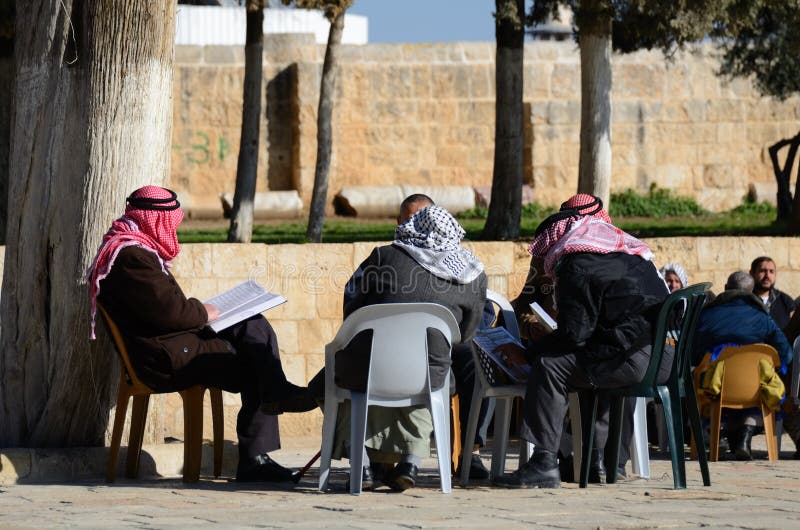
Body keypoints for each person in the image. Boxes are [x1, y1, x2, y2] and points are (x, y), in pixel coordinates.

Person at [87, 186, 314, 482]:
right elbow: (173, 313)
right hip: (164, 360)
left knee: (251, 325)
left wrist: (205, 313)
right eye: (171, 222)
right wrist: (205, 312)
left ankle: (273, 402)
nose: (173, 230)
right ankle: (258, 449)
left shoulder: (131, 249)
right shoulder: (132, 257)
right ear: (155, 219)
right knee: (255, 358)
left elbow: (166, 310)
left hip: (169, 347)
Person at [493, 194, 669, 489]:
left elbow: (575, 335)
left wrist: (530, 352)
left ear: (565, 231)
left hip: (629, 362)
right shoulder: (633, 256)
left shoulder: (578, 264)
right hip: (662, 360)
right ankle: (599, 462)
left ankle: (544, 462)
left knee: (551, 367)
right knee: (587, 364)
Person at [328, 197, 487, 491]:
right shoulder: (471, 273)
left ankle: (364, 466)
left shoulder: (382, 257)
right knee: (434, 372)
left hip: (369, 369)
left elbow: (352, 302)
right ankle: (409, 462)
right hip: (428, 375)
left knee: (336, 379)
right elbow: (465, 335)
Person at [694, 270, 793, 460]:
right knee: (764, 377)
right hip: (754, 391)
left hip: (714, 389)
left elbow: (693, 354)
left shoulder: (706, 316)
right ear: (752, 292)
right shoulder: (763, 318)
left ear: (725, 289)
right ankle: (745, 434)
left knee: (706, 377)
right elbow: (786, 354)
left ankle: (719, 432)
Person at [750, 256, 795, 330]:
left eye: (771, 271)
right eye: (762, 271)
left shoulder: (786, 301)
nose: (767, 275)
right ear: (752, 273)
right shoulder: (745, 300)